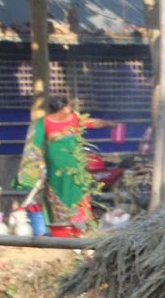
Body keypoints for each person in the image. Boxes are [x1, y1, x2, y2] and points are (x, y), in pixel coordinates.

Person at [16, 97, 105, 228]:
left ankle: (79, 224)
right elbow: (34, 145)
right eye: (68, 106)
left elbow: (92, 123)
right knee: (59, 189)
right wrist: (35, 167)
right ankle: (63, 225)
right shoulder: (43, 123)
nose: (70, 108)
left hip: (75, 164)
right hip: (56, 165)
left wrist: (108, 123)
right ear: (63, 108)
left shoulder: (74, 118)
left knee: (77, 188)